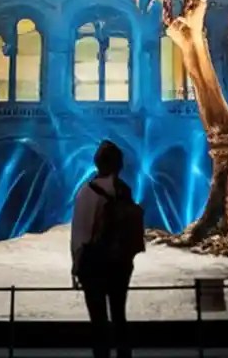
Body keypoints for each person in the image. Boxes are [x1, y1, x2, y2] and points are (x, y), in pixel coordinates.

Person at [71, 140, 143, 358]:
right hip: (121, 263)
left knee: (98, 320)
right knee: (119, 315)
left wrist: (76, 265)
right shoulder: (125, 190)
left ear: (97, 163)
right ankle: (124, 354)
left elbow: (80, 233)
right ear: (119, 165)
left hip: (93, 264)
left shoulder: (87, 192)